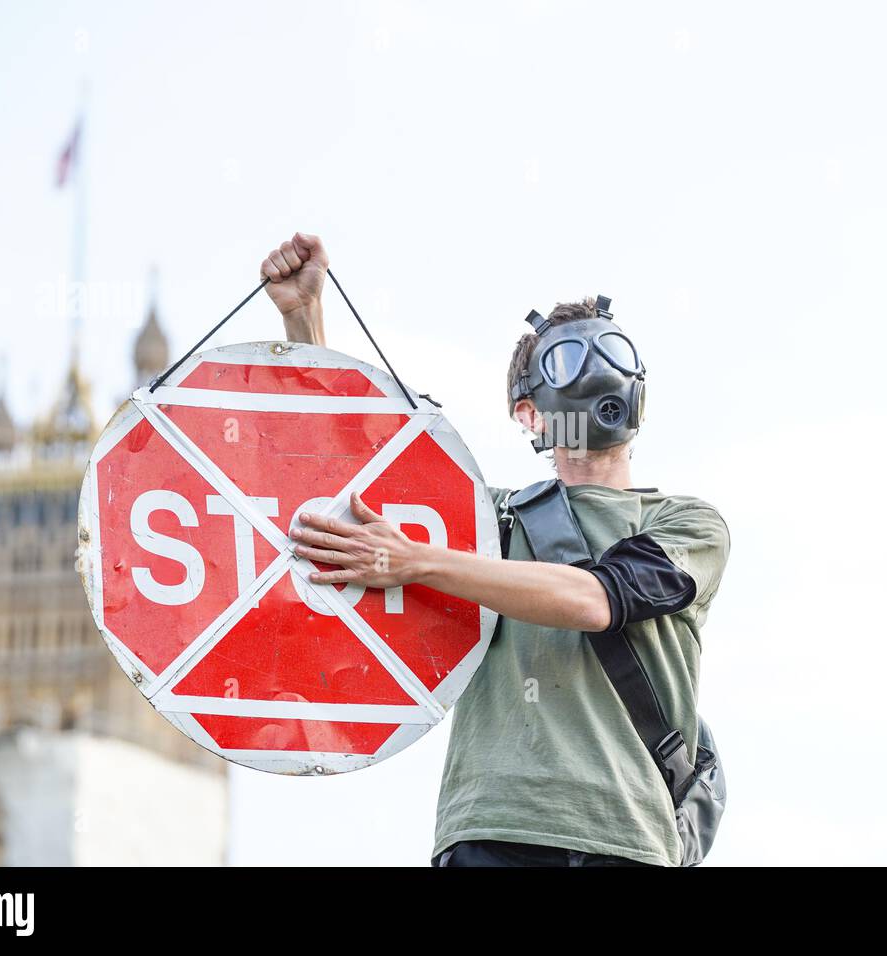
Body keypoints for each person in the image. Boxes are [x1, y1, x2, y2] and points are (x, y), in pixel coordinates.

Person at [261, 232, 730, 867]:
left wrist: (418, 561)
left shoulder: (688, 524)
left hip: (621, 837)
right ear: (528, 413)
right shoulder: (488, 518)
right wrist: (303, 317)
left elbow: (596, 600)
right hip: (488, 828)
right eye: (566, 361)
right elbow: (349, 492)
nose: (594, 372)